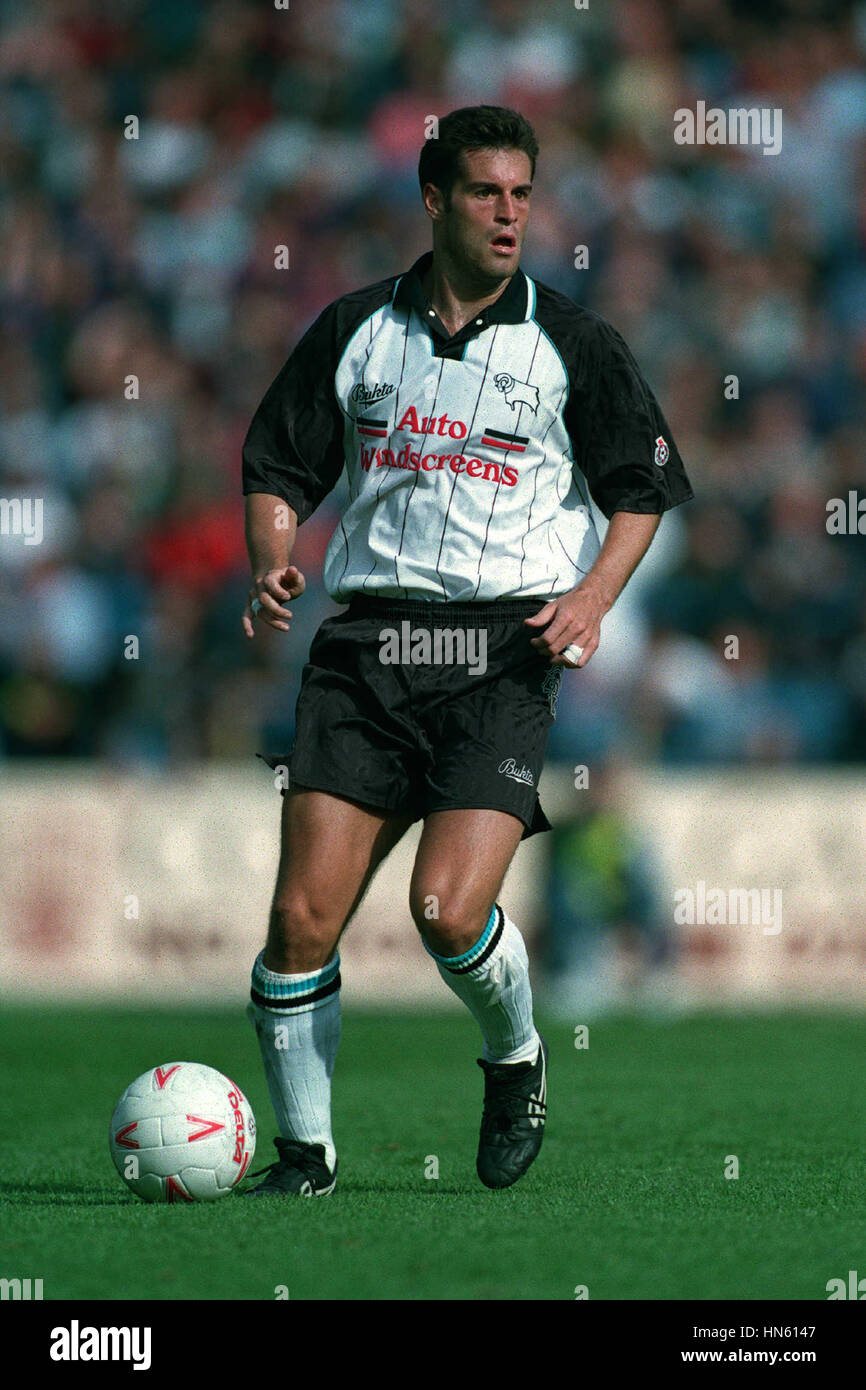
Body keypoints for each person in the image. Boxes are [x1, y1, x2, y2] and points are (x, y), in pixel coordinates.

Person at [239, 105, 693, 1197]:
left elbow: (641, 491)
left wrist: (588, 599)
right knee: (302, 917)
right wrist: (270, 557)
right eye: (485, 192)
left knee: (445, 911)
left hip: (500, 653)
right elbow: (278, 464)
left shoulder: (574, 342)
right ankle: (304, 1155)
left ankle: (516, 1055)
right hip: (365, 648)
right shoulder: (354, 328)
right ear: (433, 199)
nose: (507, 214)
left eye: (522, 194)